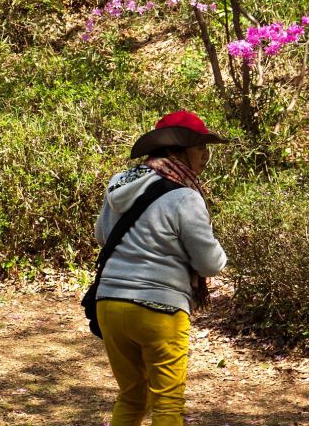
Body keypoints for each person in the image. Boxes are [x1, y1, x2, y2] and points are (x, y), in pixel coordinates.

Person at [93, 110, 229, 426]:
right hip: (160, 309)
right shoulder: (185, 196)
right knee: (167, 404)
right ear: (176, 150)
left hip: (110, 302)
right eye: (200, 148)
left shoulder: (120, 182)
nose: (205, 157)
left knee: (131, 397)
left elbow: (102, 235)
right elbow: (209, 263)